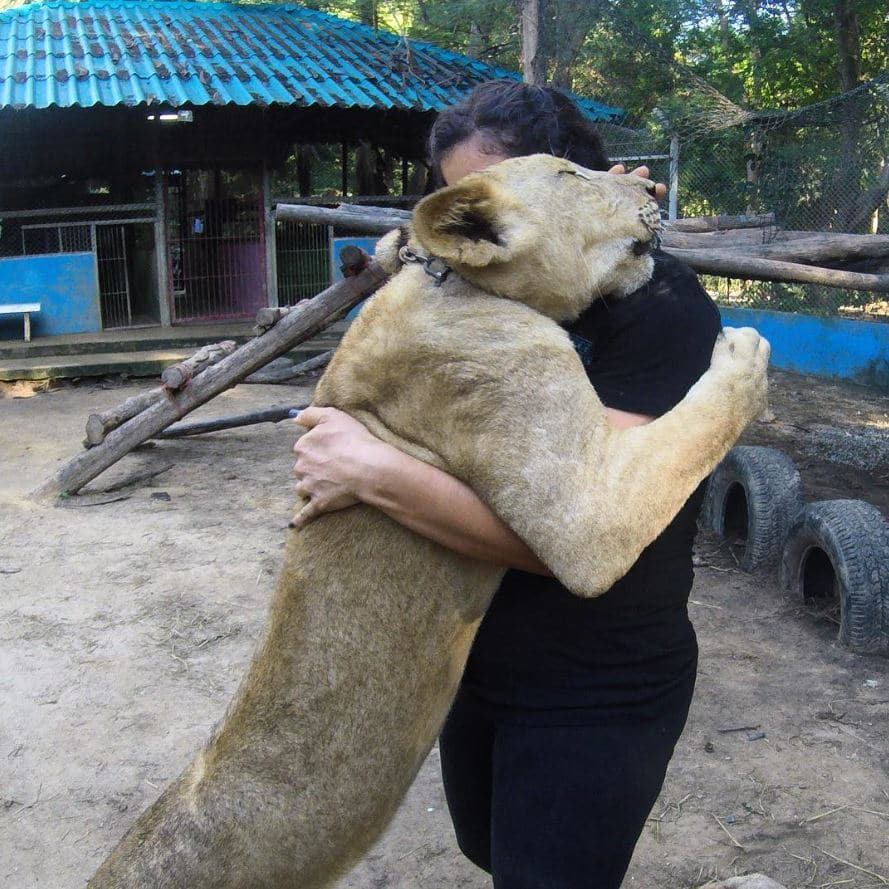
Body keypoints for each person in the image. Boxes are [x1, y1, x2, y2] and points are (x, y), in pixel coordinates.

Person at [291, 80, 722, 889]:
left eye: (516, 181)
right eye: (466, 198)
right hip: (474, 656)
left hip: (596, 679)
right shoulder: (475, 282)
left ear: (570, 175)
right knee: (490, 851)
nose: (487, 217)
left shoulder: (658, 306)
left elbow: (587, 532)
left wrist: (371, 471)